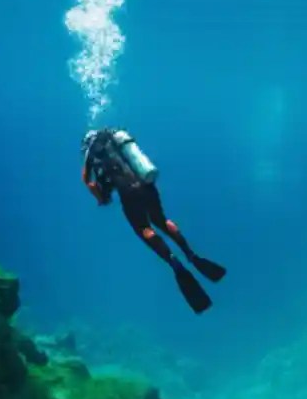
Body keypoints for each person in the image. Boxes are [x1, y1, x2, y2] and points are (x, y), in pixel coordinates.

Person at [80, 127, 226, 314]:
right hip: (147, 185)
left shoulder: (91, 153)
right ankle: (190, 254)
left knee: (143, 228)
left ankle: (173, 260)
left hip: (128, 194)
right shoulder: (115, 139)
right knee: (162, 220)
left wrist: (100, 199)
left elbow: (89, 182)